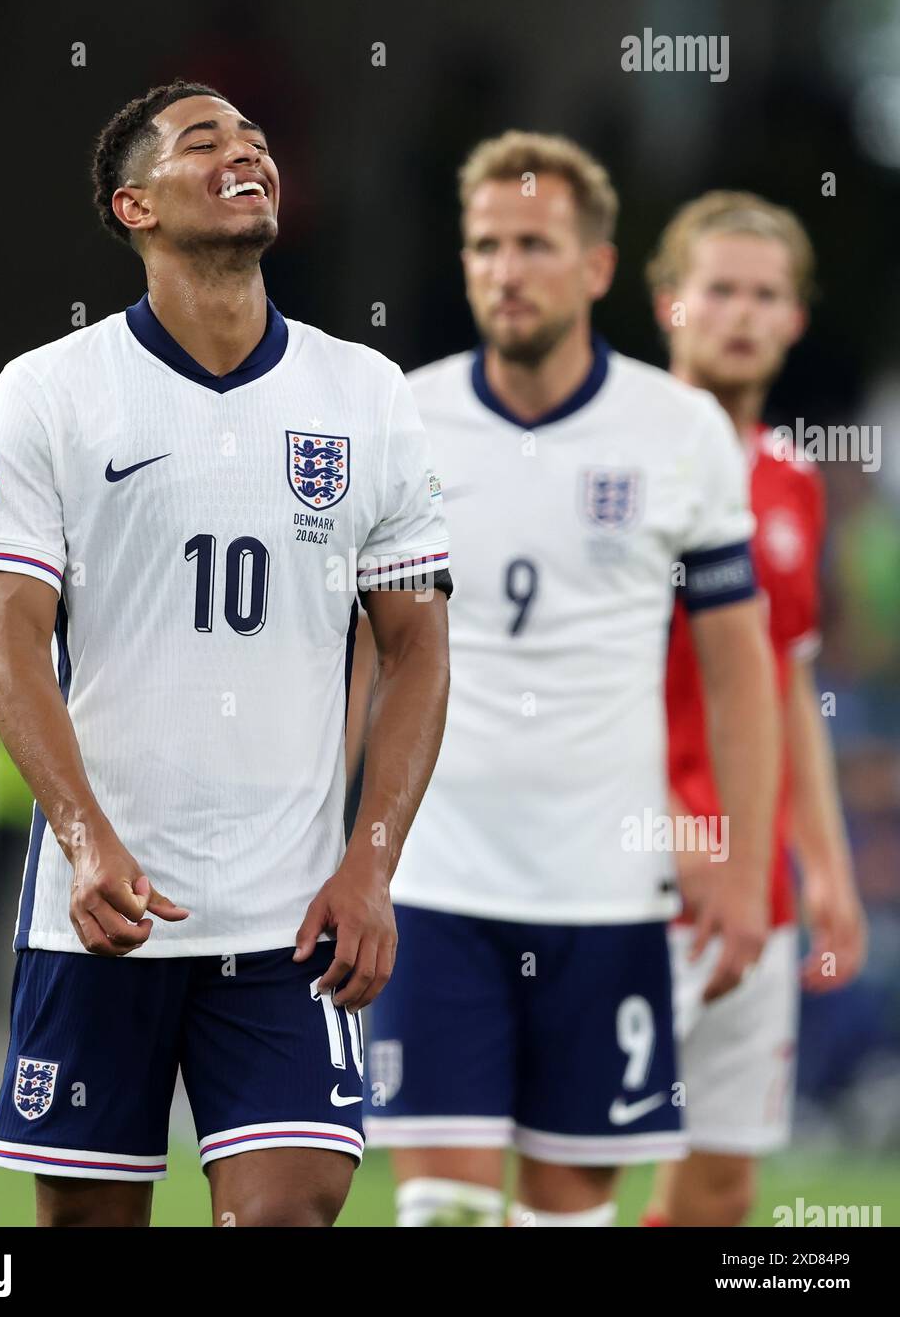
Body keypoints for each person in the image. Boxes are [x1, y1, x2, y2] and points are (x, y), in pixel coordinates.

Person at [0, 79, 451, 1228]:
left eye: (257, 140)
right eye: (204, 141)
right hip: (103, 907)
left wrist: (370, 861)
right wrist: (84, 843)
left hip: (290, 917)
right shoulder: (48, 390)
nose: (246, 154)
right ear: (132, 205)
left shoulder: (365, 393)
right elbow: (8, 635)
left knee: (287, 1211)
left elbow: (418, 646)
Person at [361, 131, 779, 1227]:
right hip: (435, 886)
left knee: (565, 1218)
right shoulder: (401, 416)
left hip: (604, 890)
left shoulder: (678, 430)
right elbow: (360, 650)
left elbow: (742, 676)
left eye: (535, 244)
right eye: (485, 244)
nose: (506, 270)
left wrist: (737, 870)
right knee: (442, 1212)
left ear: (595, 267)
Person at [641, 191, 867, 1227]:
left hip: (753, 872)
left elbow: (786, 688)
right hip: (627, 863)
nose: (739, 312)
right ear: (667, 304)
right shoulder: (614, 458)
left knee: (722, 1182)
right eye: (717, 288)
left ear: (793, 319)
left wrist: (823, 864)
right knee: (573, 1168)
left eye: (763, 294)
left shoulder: (791, 481)